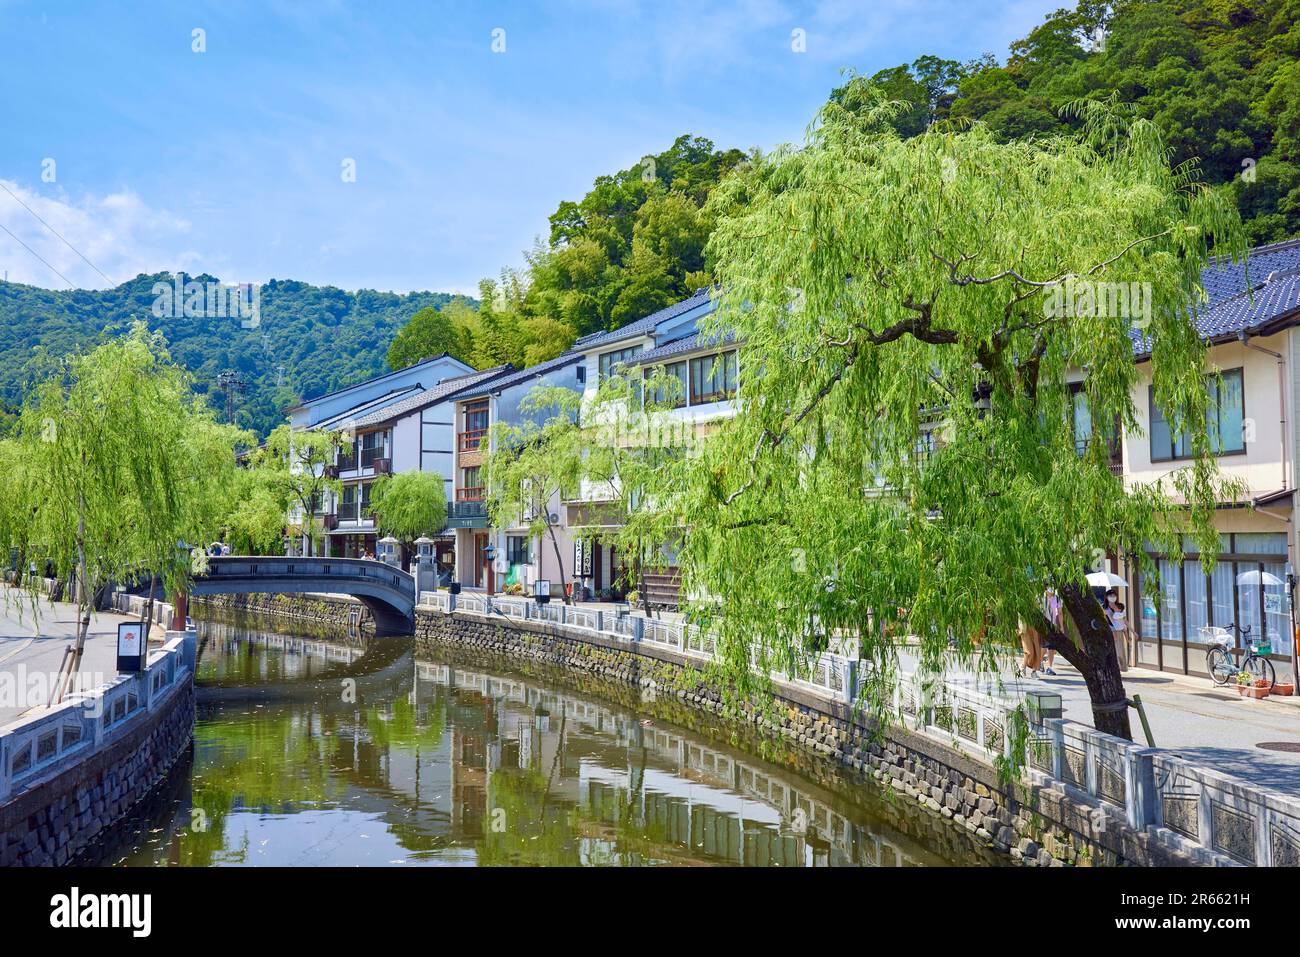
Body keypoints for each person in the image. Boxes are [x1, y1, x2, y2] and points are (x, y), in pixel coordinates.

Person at [1104, 589, 1130, 672]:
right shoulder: (1104, 607)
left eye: (1114, 596)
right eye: (1110, 596)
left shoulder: (1119, 606)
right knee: (1112, 650)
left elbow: (1124, 620)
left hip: (1119, 630)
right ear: (1106, 597)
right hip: (1110, 630)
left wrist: (1129, 632)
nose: (1113, 597)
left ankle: (1121, 667)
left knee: (1120, 649)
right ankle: (1115, 668)